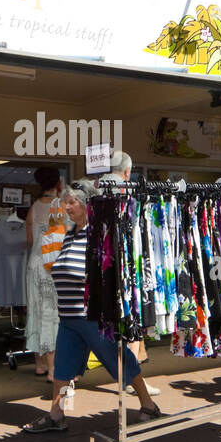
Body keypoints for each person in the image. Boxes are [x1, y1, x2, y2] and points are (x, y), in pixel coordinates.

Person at [22, 180, 162, 433]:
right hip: (68, 317)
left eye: (72, 202)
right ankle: (57, 414)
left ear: (87, 204)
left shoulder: (100, 235)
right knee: (62, 369)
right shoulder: (70, 235)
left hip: (93, 317)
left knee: (119, 362)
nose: (67, 207)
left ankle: (148, 405)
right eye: (65, 202)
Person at [95, 151, 158, 393]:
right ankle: (133, 379)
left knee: (106, 319)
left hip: (99, 262)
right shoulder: (130, 191)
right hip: (127, 261)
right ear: (128, 171)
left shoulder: (94, 189)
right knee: (131, 317)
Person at [25, 166, 63, 377]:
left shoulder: (34, 208)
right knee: (53, 313)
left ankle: (39, 363)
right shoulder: (62, 207)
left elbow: (30, 241)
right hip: (54, 265)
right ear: (59, 183)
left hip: (35, 263)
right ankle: (54, 368)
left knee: (37, 309)